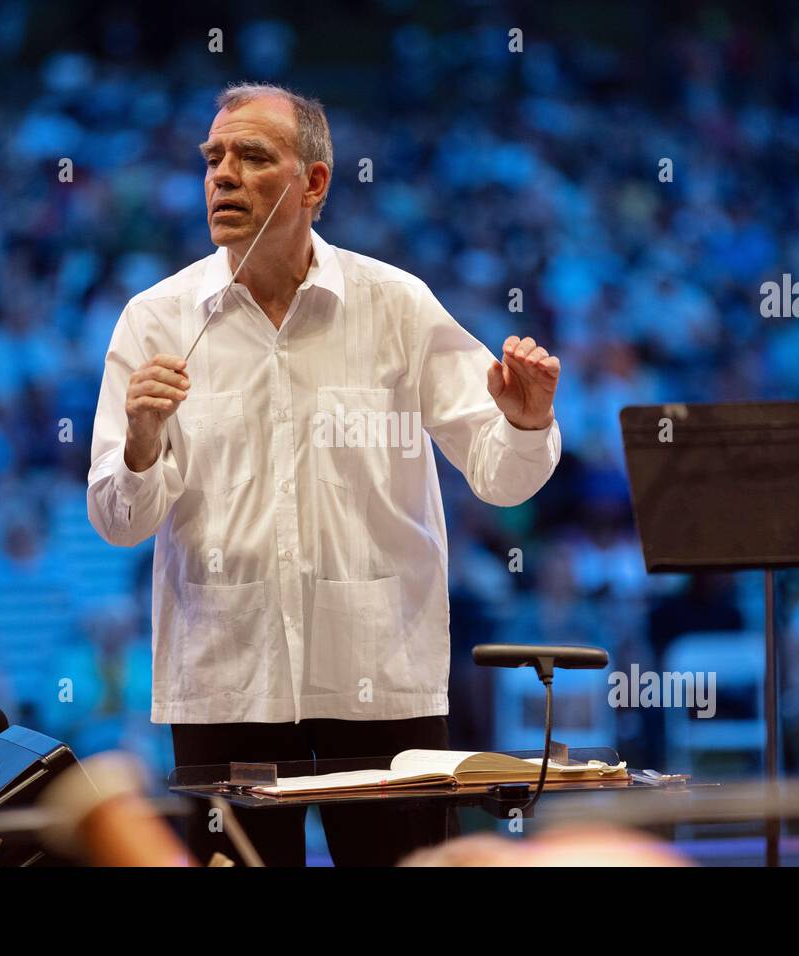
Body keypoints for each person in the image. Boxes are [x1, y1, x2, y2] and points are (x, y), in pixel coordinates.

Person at [87, 83, 562, 865]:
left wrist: (525, 419)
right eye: (213, 159)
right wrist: (141, 441)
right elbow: (117, 520)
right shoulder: (155, 318)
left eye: (252, 157)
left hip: (382, 678)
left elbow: (501, 479)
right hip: (225, 680)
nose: (223, 176)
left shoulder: (397, 306)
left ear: (315, 183)